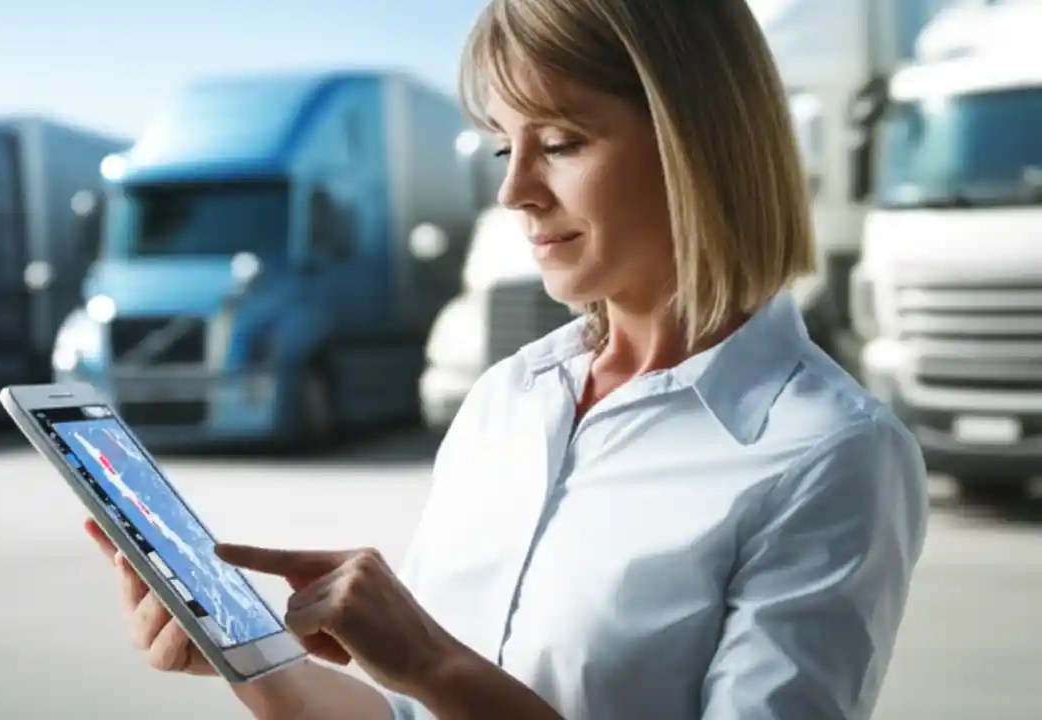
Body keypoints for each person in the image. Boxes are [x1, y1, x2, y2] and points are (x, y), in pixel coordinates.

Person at [83, 0, 929, 717]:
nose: (513, 189)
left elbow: (436, 685)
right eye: (502, 146)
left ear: (697, 142)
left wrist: (433, 664)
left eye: (559, 142)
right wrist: (249, 661)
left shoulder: (830, 454)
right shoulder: (509, 401)